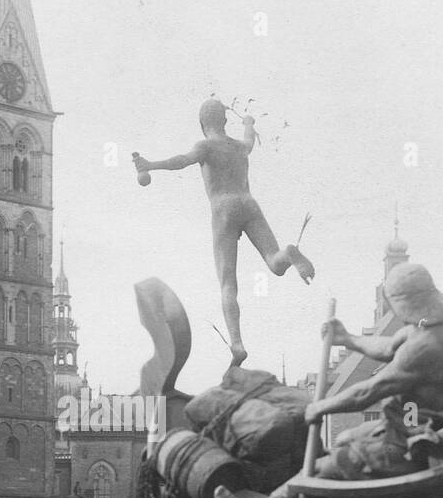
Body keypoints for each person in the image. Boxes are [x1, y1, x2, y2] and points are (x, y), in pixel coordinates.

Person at [215, 261, 443, 498]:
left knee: (325, 466)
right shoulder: (439, 325)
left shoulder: (425, 345)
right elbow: (388, 347)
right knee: (345, 437)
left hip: (419, 440)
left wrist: (321, 407)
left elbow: (368, 392)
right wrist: (347, 339)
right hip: (411, 422)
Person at [133, 99, 314, 367]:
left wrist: (150, 164)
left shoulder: (205, 146)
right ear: (225, 121)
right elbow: (250, 140)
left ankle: (238, 344)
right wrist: (249, 123)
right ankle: (288, 254)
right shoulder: (240, 147)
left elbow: (181, 161)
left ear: (202, 123)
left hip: (223, 211)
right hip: (249, 204)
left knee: (228, 284)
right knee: (275, 263)